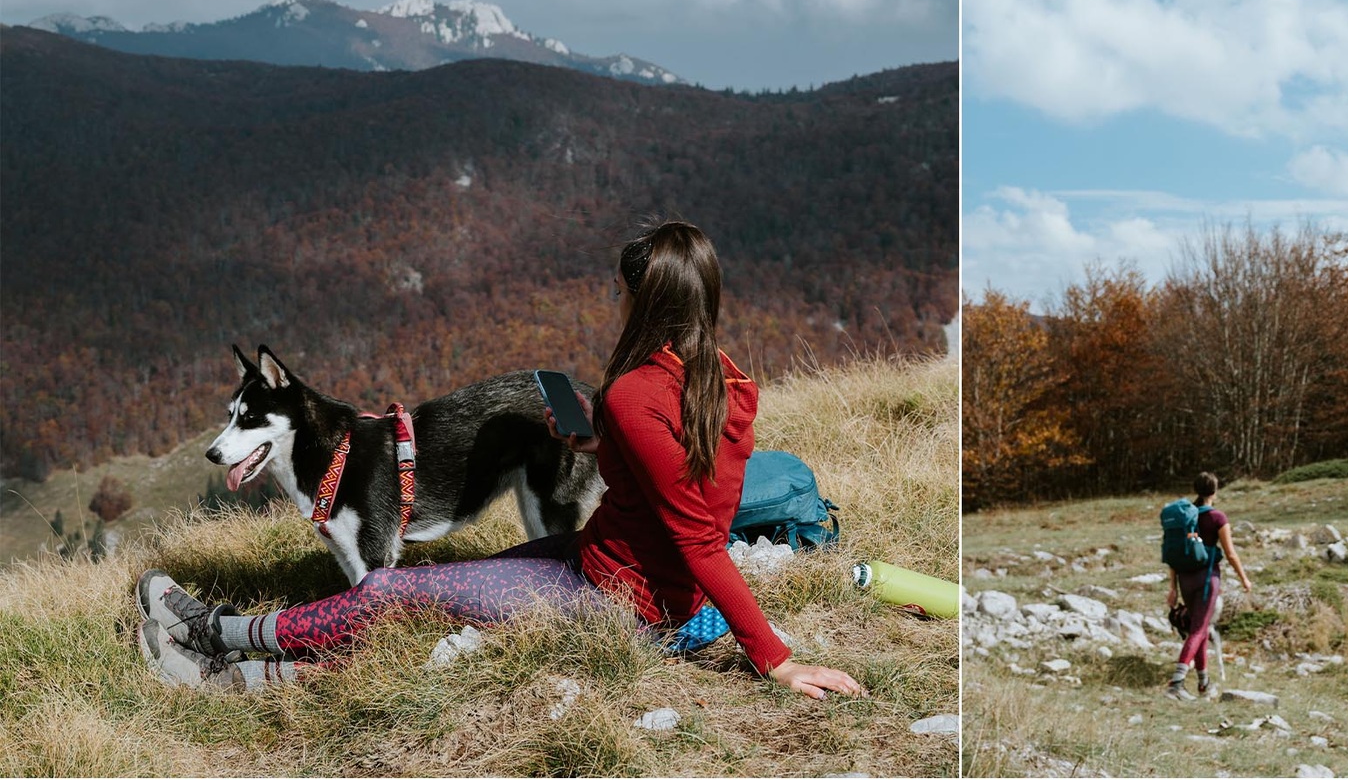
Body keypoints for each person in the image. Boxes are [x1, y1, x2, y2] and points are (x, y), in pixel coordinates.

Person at [136, 221, 863, 701]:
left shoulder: (637, 392)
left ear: (645, 302)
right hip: (616, 568)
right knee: (449, 610)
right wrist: (595, 445)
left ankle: (218, 642)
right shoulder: (729, 380)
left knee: (392, 593)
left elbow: (700, 537)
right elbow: (691, 488)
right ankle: (255, 673)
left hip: (617, 600)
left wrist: (776, 659)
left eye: (622, 295)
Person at [1165, 471, 1252, 700]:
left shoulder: (1187, 516)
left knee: (1199, 629)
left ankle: (1203, 684)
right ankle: (1176, 683)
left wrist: (1172, 587)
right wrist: (1244, 579)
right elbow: (1231, 554)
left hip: (1185, 578)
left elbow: (1174, 554)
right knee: (1199, 629)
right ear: (1215, 491)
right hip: (1206, 580)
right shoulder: (1217, 518)